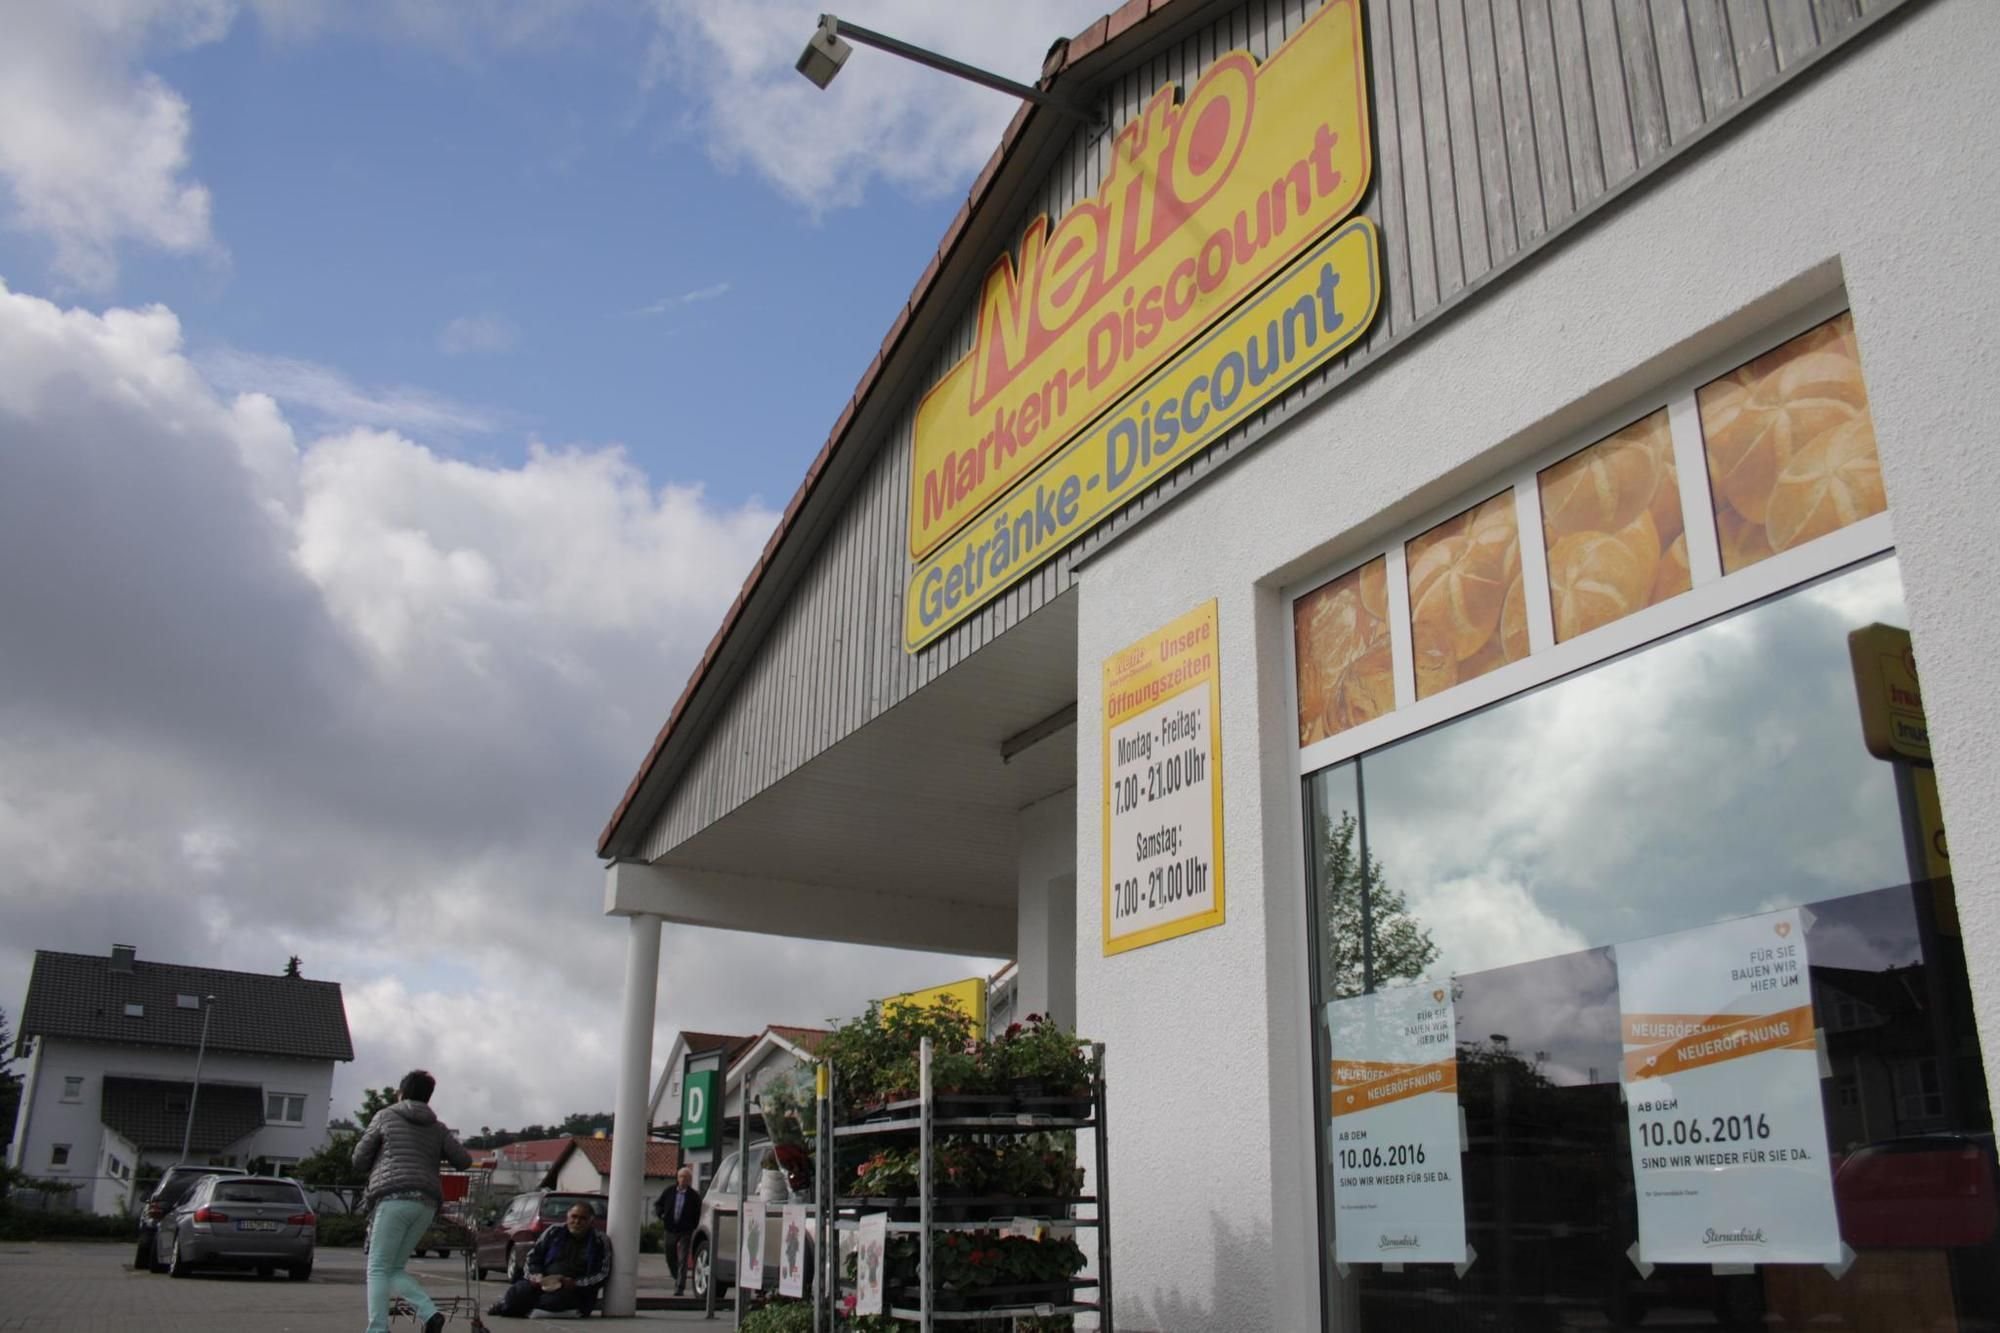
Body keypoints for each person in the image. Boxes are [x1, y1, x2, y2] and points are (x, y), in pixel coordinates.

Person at [352, 1069, 473, 1333]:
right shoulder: (438, 1128)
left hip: (393, 1197)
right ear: (428, 1096)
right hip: (426, 1203)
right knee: (394, 1267)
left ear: (402, 1092)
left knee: (377, 1268)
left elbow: (358, 1159)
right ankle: (430, 1314)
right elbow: (464, 1161)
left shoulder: (385, 1116)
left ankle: (377, 1329)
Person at [488, 1202, 611, 1319]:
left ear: (591, 1221)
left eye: (582, 1219)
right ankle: (511, 1306)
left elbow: (602, 1274)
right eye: (574, 1217)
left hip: (573, 1291)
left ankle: (519, 1309)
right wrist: (536, 1276)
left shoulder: (599, 1240)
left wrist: (575, 1283)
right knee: (518, 1293)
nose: (577, 1222)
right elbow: (533, 1257)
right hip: (544, 1283)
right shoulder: (554, 1232)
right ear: (567, 1217)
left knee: (553, 1301)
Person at [654, 1165, 702, 1295]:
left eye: (686, 1178)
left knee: (683, 1258)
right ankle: (677, 1276)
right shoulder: (669, 1191)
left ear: (690, 1180)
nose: (683, 1180)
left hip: (685, 1230)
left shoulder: (694, 1196)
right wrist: (661, 1215)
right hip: (670, 1228)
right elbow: (658, 1204)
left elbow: (698, 1212)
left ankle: (679, 1287)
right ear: (677, 1178)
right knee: (670, 1256)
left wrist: (693, 1225)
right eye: (681, 1177)